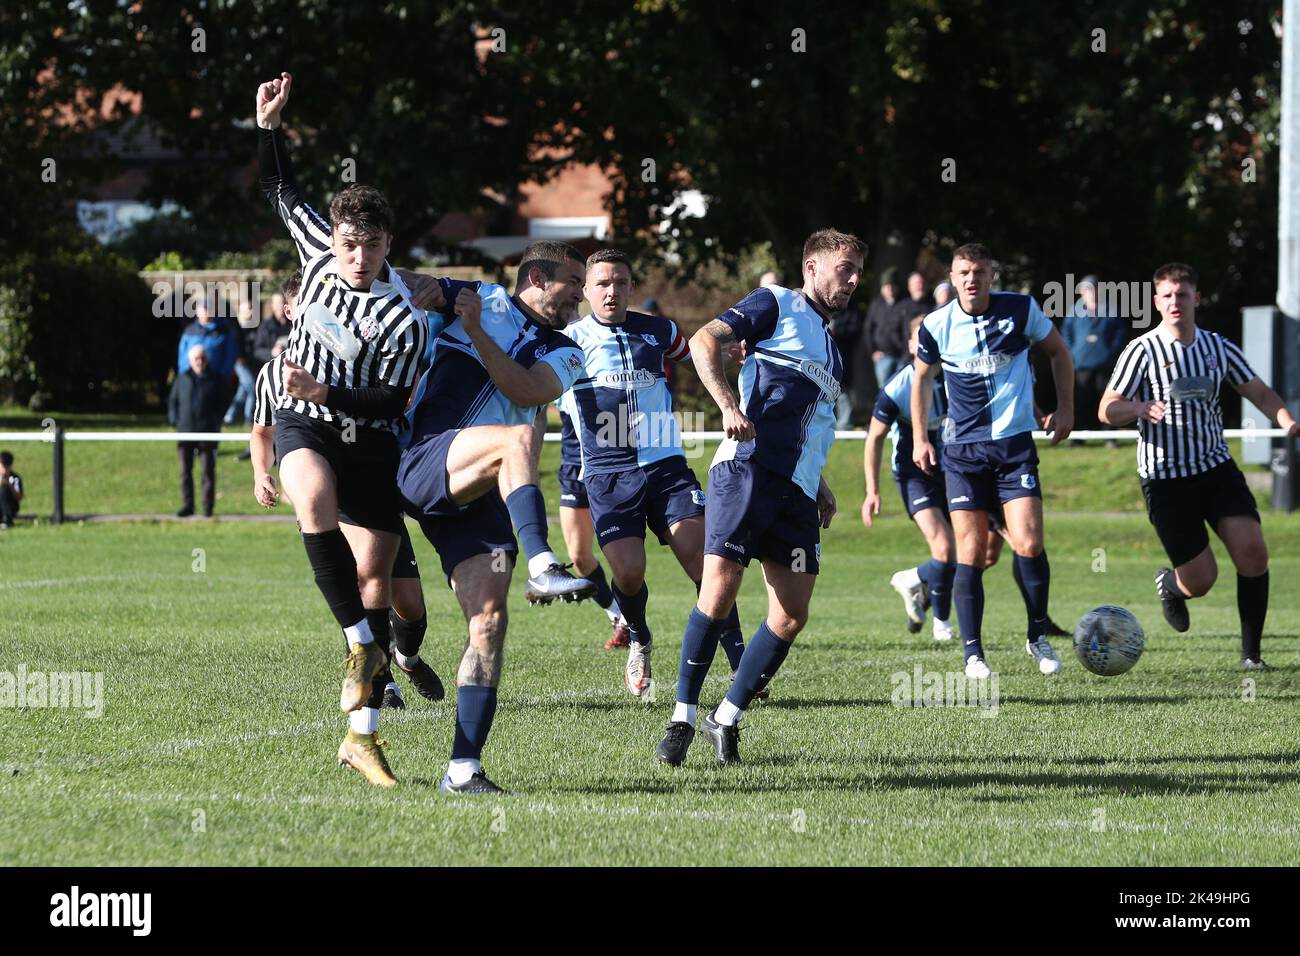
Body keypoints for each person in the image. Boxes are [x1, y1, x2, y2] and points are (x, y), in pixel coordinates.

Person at [255, 71, 431, 788]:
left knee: (375, 580)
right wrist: (268, 127)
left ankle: (361, 738)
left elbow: (391, 403)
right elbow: (280, 191)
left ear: (389, 243)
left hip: (372, 441)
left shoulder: (405, 318)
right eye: (349, 242)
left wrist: (327, 386)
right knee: (313, 500)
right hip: (306, 427)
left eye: (371, 245)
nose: (357, 257)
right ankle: (361, 643)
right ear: (334, 238)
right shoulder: (317, 254)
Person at [399, 241, 596, 795]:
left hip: (481, 483)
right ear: (536, 275)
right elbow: (401, 279)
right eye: (574, 282)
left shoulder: (570, 350)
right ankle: (541, 561)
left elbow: (526, 388)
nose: (582, 293)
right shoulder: (484, 296)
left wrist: (477, 333)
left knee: (487, 625)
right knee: (518, 437)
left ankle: (463, 770)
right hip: (421, 458)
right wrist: (422, 286)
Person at [660, 228, 859, 766]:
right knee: (720, 588)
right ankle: (682, 716)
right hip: (746, 471)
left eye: (858, 271)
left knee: (791, 614)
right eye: (846, 269)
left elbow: (807, 422)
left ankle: (725, 717)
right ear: (812, 267)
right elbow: (704, 340)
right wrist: (726, 406)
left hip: (795, 491)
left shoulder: (835, 352)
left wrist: (820, 484)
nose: (855, 280)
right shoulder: (776, 304)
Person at [250, 270, 445, 713]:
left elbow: (393, 401)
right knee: (362, 578)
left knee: (410, 604)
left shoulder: (375, 354)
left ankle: (406, 657)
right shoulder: (274, 374)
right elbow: (262, 431)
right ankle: (378, 678)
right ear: (290, 313)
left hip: (374, 476)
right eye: (310, 307)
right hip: (328, 476)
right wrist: (263, 473)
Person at [564, 248, 751, 702]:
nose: (612, 291)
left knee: (708, 565)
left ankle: (743, 665)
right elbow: (532, 391)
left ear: (631, 288)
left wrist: (729, 357)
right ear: (586, 291)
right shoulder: (566, 342)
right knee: (628, 574)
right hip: (608, 474)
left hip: (667, 468)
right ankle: (640, 637)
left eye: (620, 282)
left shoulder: (659, 331)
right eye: (602, 284)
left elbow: (696, 357)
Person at [1099, 262, 1299, 670]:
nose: (1175, 302)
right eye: (1167, 296)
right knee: (1202, 580)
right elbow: (1106, 409)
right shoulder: (1142, 351)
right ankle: (1171, 584)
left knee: (1253, 553)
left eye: (1183, 294)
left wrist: (1287, 421)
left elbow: (1259, 391)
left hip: (1215, 469)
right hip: (1166, 481)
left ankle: (1251, 657)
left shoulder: (1217, 347)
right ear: (1156, 302)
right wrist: (1137, 407)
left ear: (1196, 298)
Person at [911, 242, 1075, 679]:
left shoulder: (1021, 310)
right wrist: (918, 438)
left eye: (979, 272)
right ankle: (973, 653)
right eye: (963, 272)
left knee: (1029, 543)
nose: (971, 279)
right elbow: (922, 380)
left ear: (991, 276)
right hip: (963, 453)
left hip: (1014, 447)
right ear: (952, 276)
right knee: (972, 551)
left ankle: (1037, 636)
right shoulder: (936, 325)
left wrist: (1066, 408)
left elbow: (1059, 352)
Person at [862, 317, 956, 641]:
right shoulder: (899, 386)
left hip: (955, 471)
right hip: (914, 475)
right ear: (912, 346)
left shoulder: (959, 376)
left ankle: (915, 583)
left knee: (974, 552)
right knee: (945, 548)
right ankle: (941, 622)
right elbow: (874, 438)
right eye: (921, 339)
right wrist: (872, 491)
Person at [554, 388, 629, 649]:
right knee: (579, 557)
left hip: (609, 467)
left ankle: (632, 621)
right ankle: (618, 616)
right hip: (574, 470)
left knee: (622, 556)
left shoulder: (607, 369)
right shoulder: (558, 369)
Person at [1061, 275, 1127, 440]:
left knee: (1108, 400)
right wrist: (1073, 352)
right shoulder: (1073, 313)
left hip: (1106, 364)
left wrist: (1110, 352)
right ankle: (1078, 438)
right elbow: (1066, 335)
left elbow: (1120, 335)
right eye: (1086, 289)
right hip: (1081, 363)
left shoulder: (1112, 311)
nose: (1090, 293)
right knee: (1081, 400)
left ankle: (1109, 437)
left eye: (1093, 288)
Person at [863, 267, 904, 393]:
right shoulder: (876, 305)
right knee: (884, 391)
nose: (890, 288)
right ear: (882, 288)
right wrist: (873, 351)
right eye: (887, 285)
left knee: (900, 391)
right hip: (883, 356)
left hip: (902, 356)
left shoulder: (905, 303)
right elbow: (868, 329)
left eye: (892, 285)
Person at [0, 451, 23, 529]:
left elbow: (19, 497)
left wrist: (9, 485)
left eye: (7, 468)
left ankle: (7, 520)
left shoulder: (15, 478)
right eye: (2, 467)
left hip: (11, 506)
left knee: (4, 490)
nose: (4, 470)